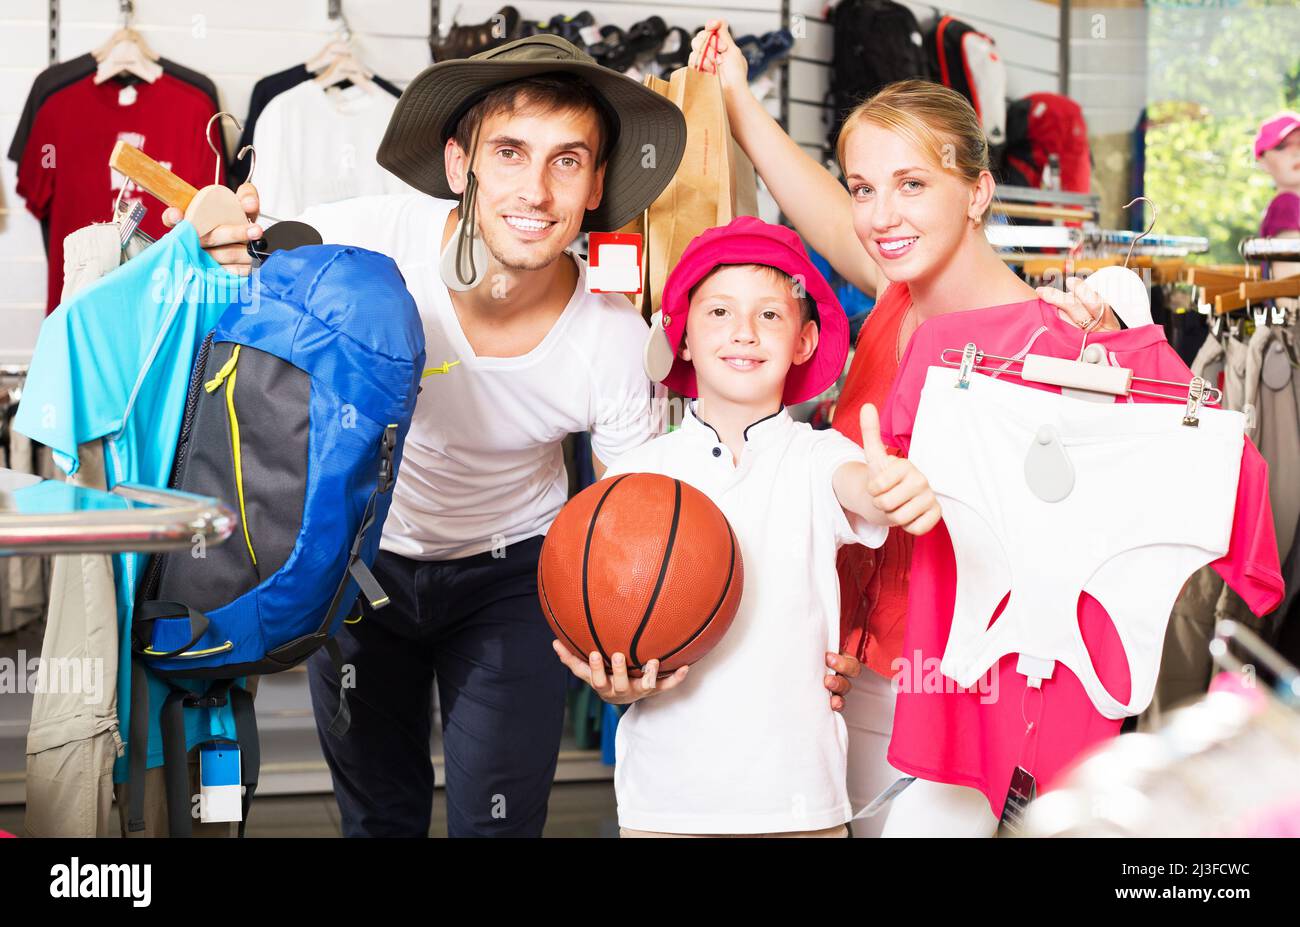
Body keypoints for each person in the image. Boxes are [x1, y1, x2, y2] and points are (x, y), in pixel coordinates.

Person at [170, 35, 862, 836]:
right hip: (365, 562)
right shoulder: (364, 242)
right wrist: (211, 238)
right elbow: (221, 266)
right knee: (376, 820)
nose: (535, 190)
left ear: (597, 182)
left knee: (498, 824)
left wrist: (694, 635)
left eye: (567, 161)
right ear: (460, 165)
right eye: (510, 153)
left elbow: (638, 520)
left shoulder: (608, 336)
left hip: (513, 579)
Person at [689, 23, 1121, 836]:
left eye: (913, 184)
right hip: (850, 674)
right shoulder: (896, 295)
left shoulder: (1054, 343)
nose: (880, 215)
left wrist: (1113, 346)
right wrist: (740, 102)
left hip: (961, 693)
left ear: (979, 191)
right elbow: (818, 207)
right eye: (864, 187)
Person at [554, 216, 942, 837]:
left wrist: (891, 489)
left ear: (805, 341)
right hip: (664, 807)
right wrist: (611, 678)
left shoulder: (821, 459)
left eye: (769, 315)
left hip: (800, 805)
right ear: (680, 338)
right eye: (718, 313)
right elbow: (599, 615)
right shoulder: (634, 478)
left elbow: (863, 490)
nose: (743, 332)